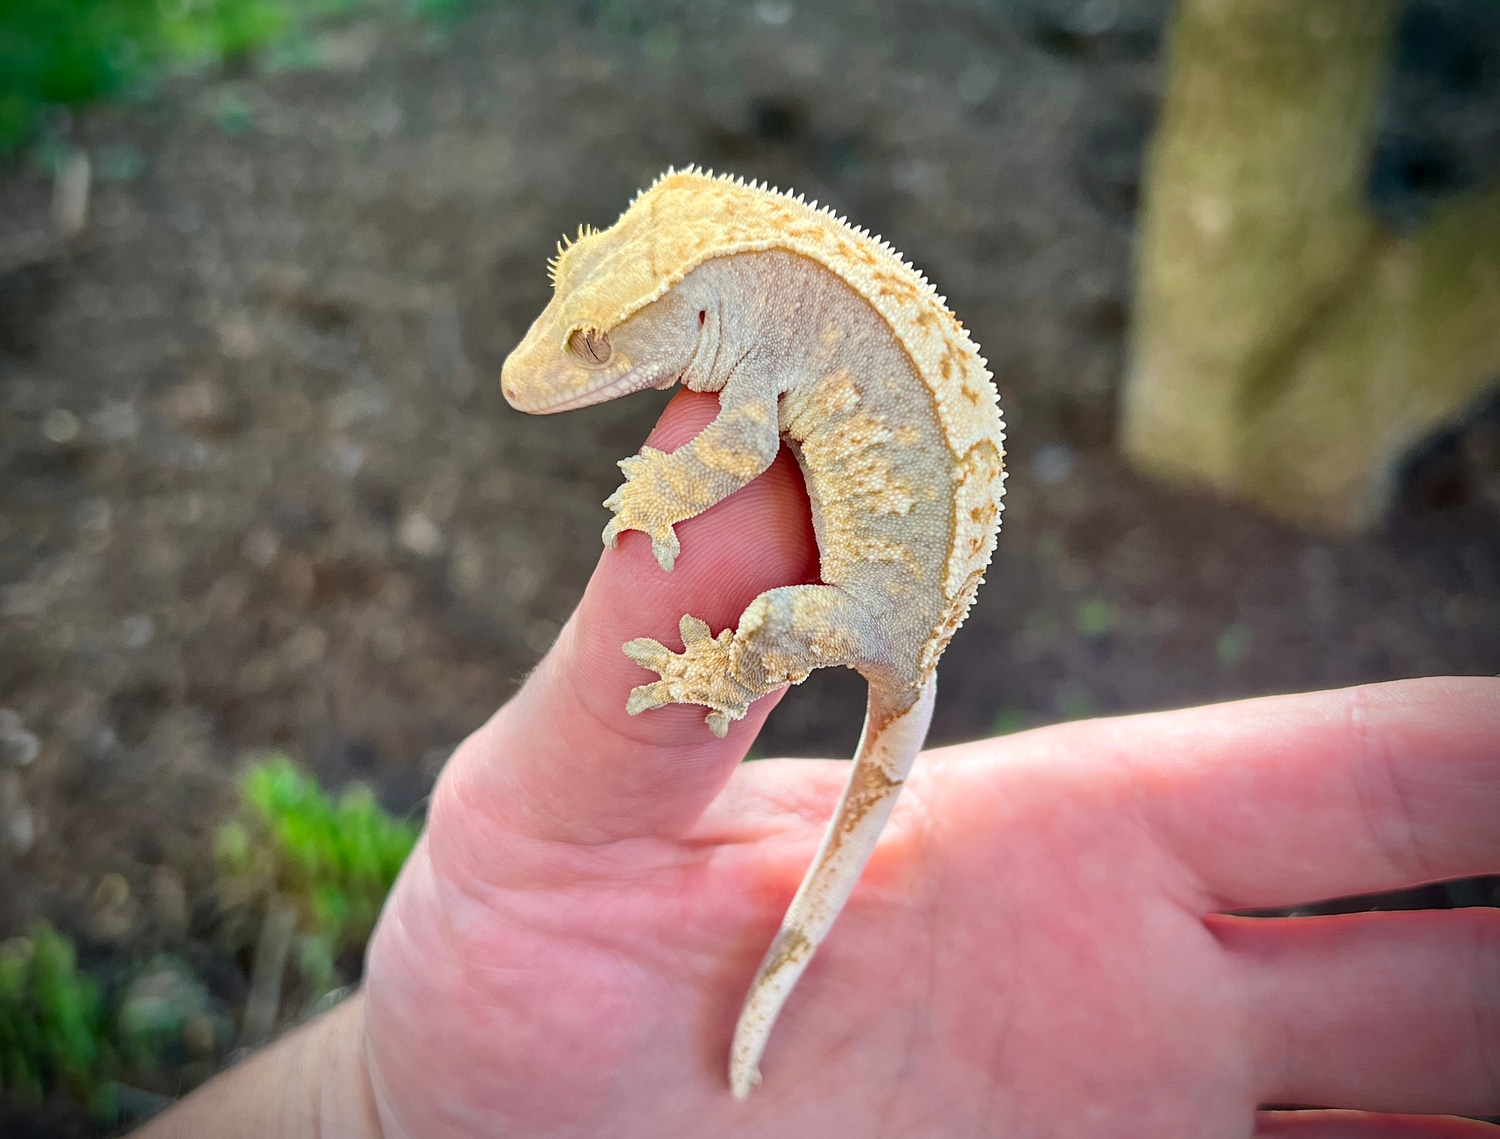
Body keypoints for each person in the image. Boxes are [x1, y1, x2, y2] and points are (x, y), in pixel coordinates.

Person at [136, 393, 1500, 1138]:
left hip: (877, 614)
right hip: (896, 594)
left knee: (775, 620)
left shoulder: (759, 362)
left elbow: (730, 449)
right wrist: (372, 1115)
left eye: (601, 342)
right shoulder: (764, 331)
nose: (559, 366)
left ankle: (734, 684)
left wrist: (694, 604)